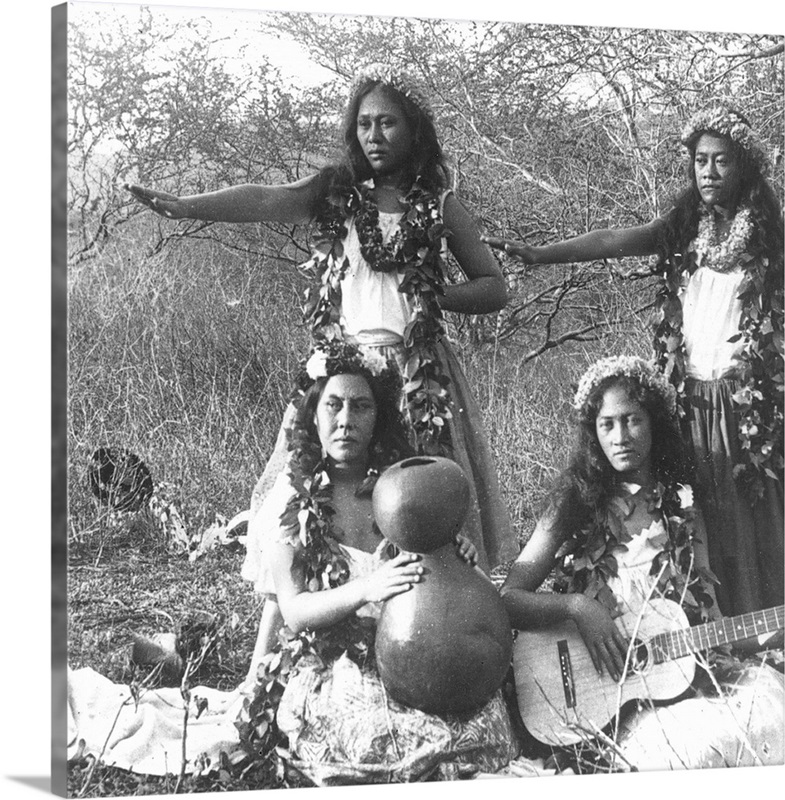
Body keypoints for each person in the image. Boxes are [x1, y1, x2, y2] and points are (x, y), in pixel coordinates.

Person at [127, 65, 517, 669]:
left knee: (415, 514)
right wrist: (186, 206)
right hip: (341, 375)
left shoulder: (439, 204)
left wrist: (435, 299)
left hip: (415, 379)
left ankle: (426, 653)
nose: (374, 135)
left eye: (388, 123)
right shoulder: (338, 192)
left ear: (414, 132)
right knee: (306, 502)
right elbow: (268, 200)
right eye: (364, 124)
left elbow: (494, 286)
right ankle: (267, 665)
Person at [485, 103, 783, 618]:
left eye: (722, 161)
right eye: (700, 161)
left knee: (749, 529)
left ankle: (758, 640)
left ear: (746, 166)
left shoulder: (771, 241)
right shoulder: (684, 228)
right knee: (695, 519)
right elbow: (613, 241)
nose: (709, 173)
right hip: (687, 404)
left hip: (744, 409)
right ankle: (697, 629)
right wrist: (542, 255)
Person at [241, 341, 518, 784]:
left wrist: (457, 558)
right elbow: (293, 612)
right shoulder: (291, 503)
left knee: (487, 727)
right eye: (333, 405)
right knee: (386, 737)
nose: (346, 420)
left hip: (418, 654)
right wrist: (367, 589)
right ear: (313, 415)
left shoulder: (404, 491)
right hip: (337, 663)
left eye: (361, 407)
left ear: (378, 419)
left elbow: (447, 584)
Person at [500, 355, 783, 771]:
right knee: (694, 753)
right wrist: (578, 608)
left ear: (655, 423)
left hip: (676, 684)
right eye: (607, 424)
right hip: (609, 702)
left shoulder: (682, 503)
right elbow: (509, 597)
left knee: (771, 718)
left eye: (632, 420)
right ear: (592, 432)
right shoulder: (574, 504)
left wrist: (769, 632)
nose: (620, 437)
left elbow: (711, 620)